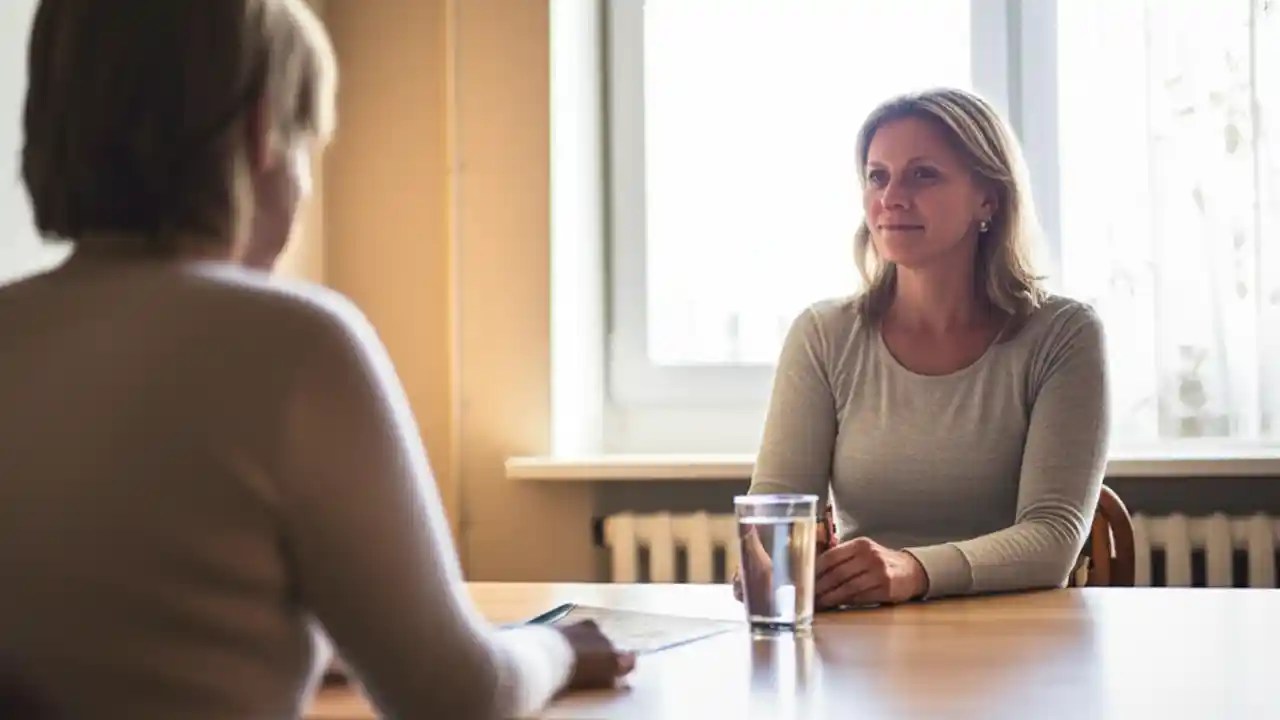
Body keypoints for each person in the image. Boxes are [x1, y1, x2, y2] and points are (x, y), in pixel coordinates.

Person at [0, 1, 632, 718]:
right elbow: (458, 692)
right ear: (262, 131)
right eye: (308, 146)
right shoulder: (295, 345)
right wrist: (556, 650)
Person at [737, 87, 1110, 609]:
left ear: (989, 197)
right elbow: (772, 515)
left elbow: (1053, 540)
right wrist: (773, 563)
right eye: (877, 175)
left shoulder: (1064, 334)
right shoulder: (823, 334)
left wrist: (912, 570)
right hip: (867, 645)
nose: (890, 197)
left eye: (923, 174)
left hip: (1019, 643)